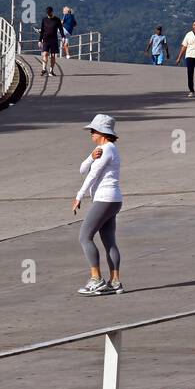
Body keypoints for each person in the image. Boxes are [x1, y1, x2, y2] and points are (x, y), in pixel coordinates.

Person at [73, 113, 125, 295]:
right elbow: (82, 169)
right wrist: (90, 156)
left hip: (105, 199)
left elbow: (92, 174)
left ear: (102, 132)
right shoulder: (104, 150)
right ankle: (115, 282)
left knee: (84, 236)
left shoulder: (107, 149)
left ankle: (96, 279)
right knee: (109, 241)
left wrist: (79, 195)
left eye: (93, 131)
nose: (91, 134)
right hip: (113, 200)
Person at [36, 7, 63, 76]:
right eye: (47, 14)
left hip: (54, 39)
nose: (48, 15)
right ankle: (44, 69)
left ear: (52, 12)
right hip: (46, 39)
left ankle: (51, 71)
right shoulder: (44, 20)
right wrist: (39, 40)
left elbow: (61, 29)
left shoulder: (57, 20)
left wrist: (63, 37)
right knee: (45, 54)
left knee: (53, 55)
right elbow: (42, 30)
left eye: (49, 13)